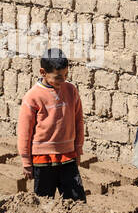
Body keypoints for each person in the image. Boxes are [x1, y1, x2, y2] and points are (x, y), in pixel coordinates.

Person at [17, 48, 86, 201]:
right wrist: (26, 162)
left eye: (66, 75)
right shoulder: (33, 97)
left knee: (76, 201)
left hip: (67, 156)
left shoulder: (71, 90)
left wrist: (78, 149)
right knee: (43, 202)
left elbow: (78, 121)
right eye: (58, 77)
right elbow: (24, 132)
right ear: (43, 72)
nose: (63, 80)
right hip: (42, 160)